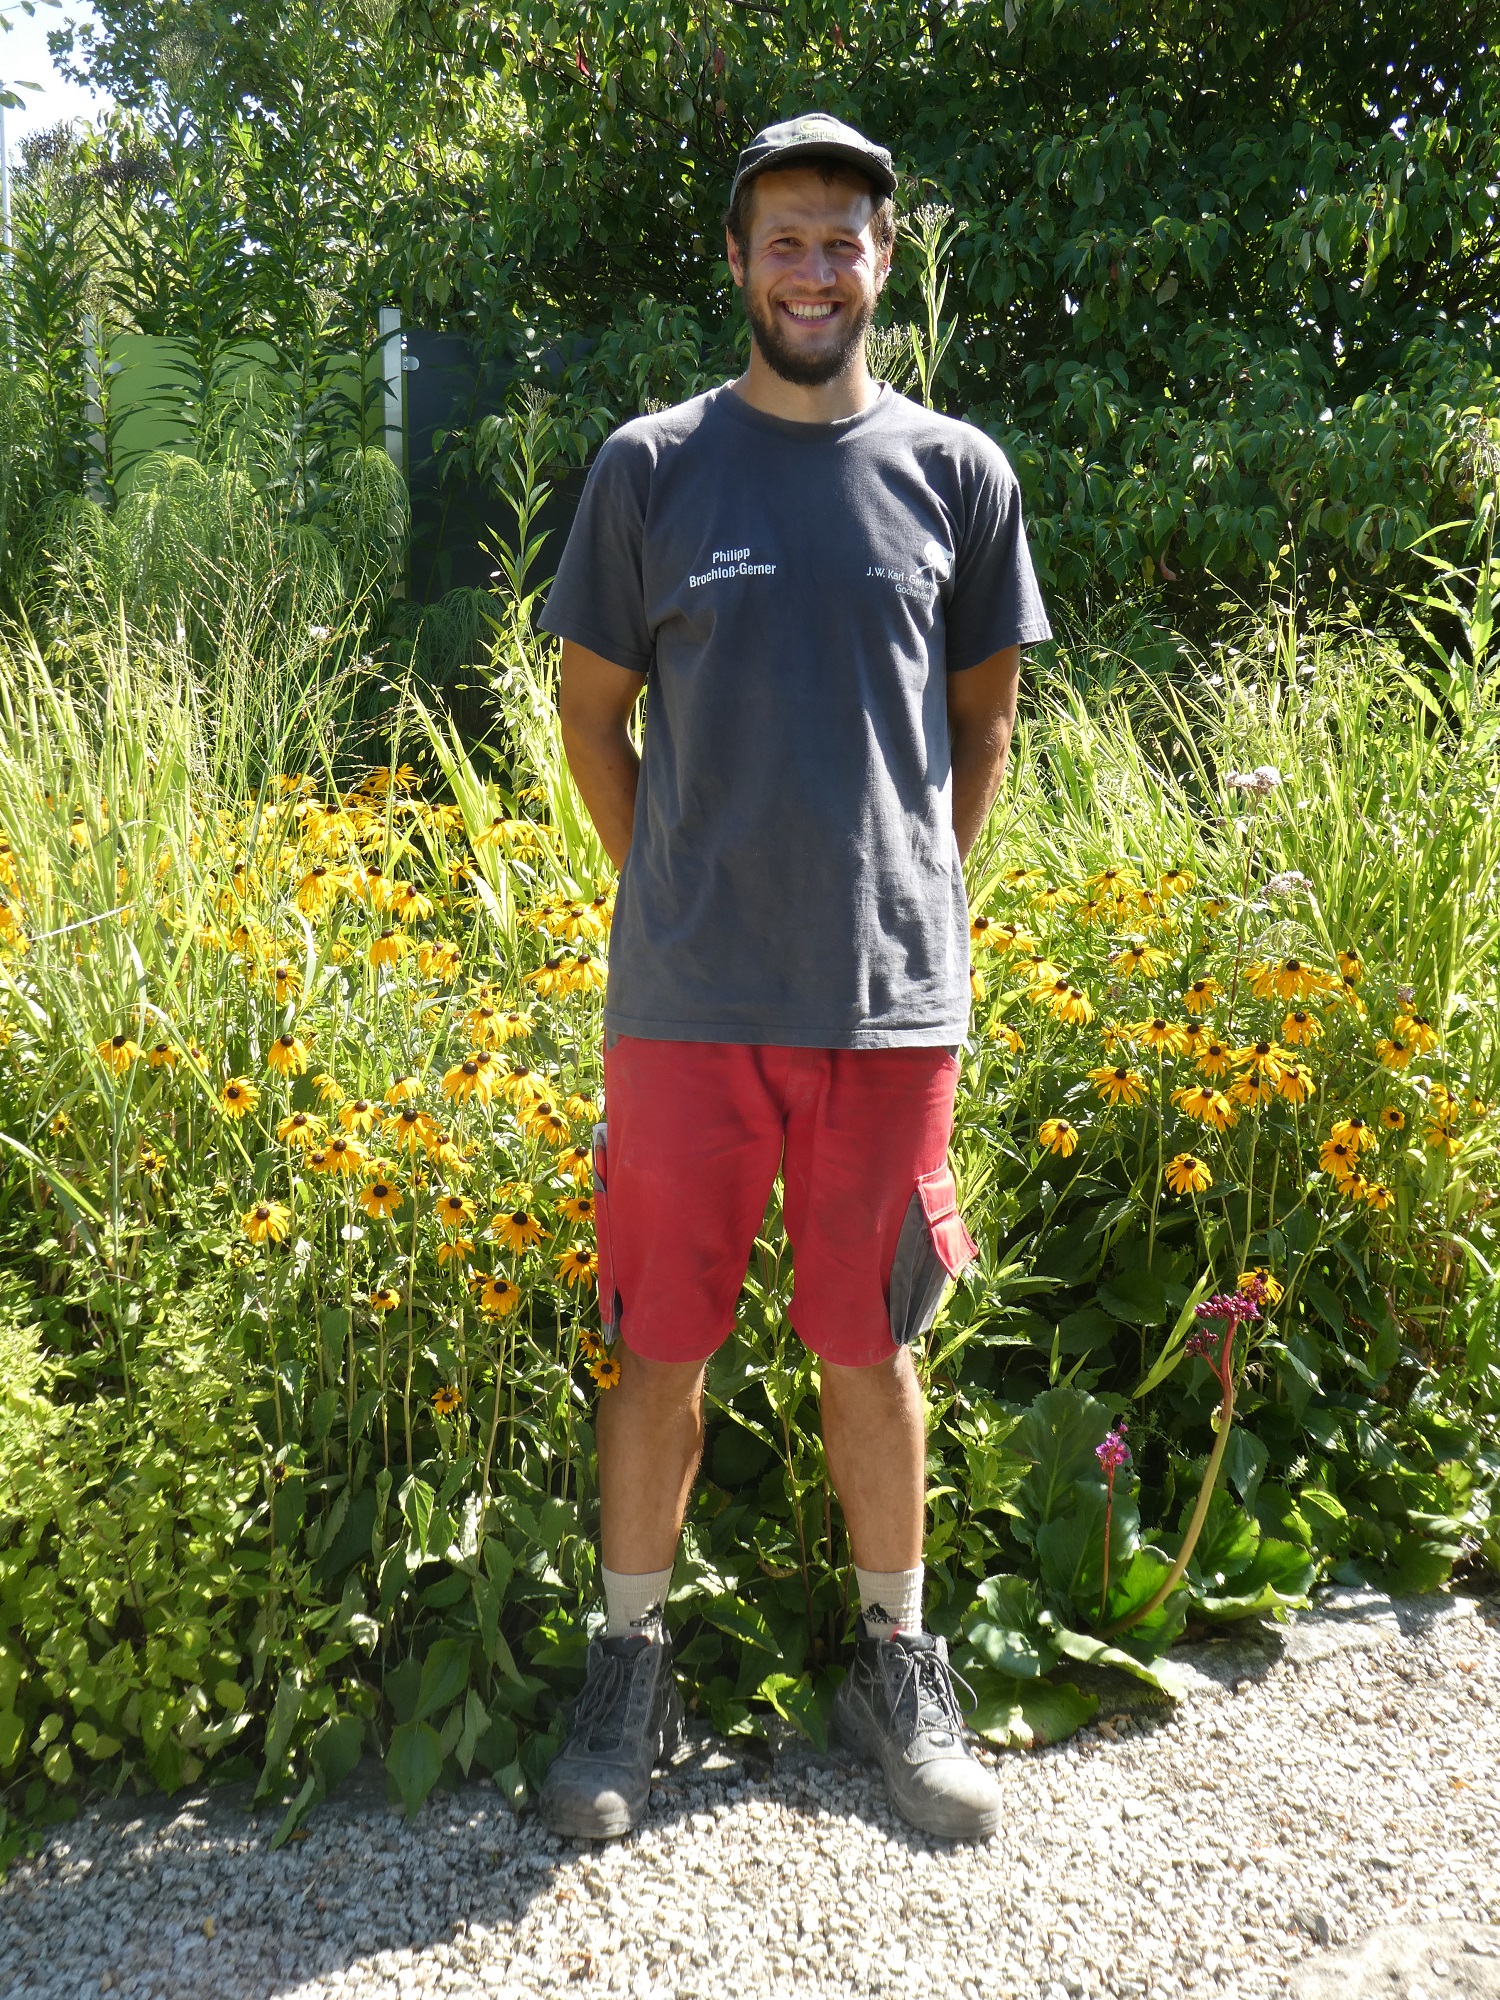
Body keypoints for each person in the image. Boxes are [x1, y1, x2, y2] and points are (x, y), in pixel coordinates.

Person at [535, 111, 1052, 1844]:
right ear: (739, 264)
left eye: (844, 240)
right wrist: (677, 892)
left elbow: (980, 726)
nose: (814, 269)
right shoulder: (653, 469)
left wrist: (911, 894)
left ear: (882, 263)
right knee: (655, 1345)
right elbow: (589, 717)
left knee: (871, 1345)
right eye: (784, 239)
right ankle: (630, 1675)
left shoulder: (959, 475)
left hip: (890, 1006)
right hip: (684, 1009)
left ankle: (895, 1665)